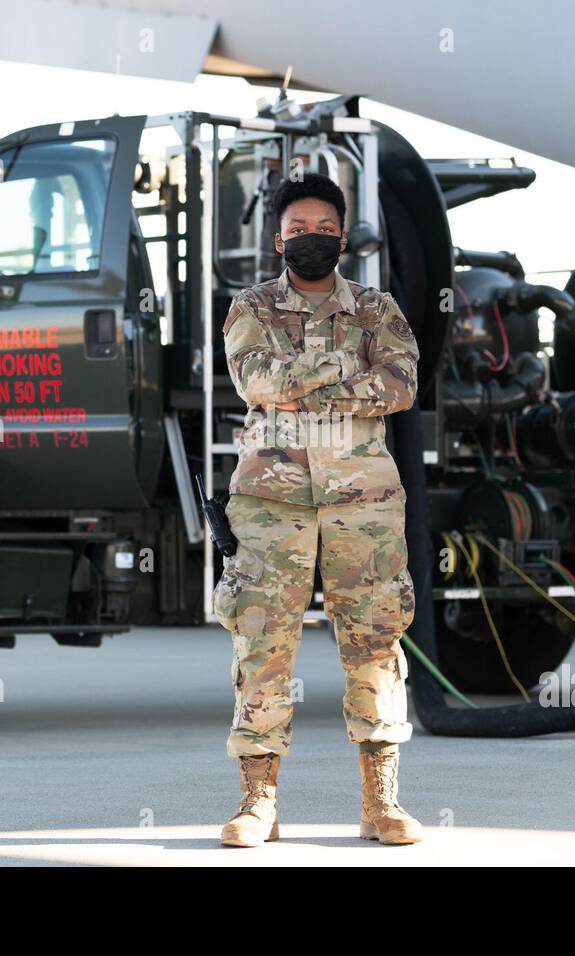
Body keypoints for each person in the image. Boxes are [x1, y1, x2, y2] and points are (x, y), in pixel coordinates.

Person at [212, 170, 423, 847]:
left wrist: (311, 389)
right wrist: (347, 382)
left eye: (324, 230)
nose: (311, 239)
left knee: (376, 644)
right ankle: (258, 804)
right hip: (271, 503)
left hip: (363, 502)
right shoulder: (250, 306)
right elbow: (257, 379)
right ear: (278, 238)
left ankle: (380, 803)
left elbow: (402, 383)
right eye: (299, 230)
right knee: (263, 644)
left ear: (343, 238)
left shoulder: (377, 308)